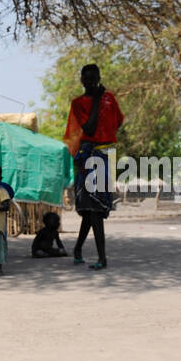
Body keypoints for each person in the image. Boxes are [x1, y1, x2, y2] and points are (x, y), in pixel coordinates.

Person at [64, 63, 123, 270]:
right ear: (81, 80)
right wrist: (98, 100)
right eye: (86, 78)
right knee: (92, 209)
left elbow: (118, 122)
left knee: (93, 209)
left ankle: (79, 249)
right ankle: (102, 257)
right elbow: (88, 128)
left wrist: (103, 105)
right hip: (87, 156)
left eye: (93, 78)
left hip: (105, 155)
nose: (90, 82)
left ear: (98, 78)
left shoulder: (110, 99)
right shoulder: (79, 103)